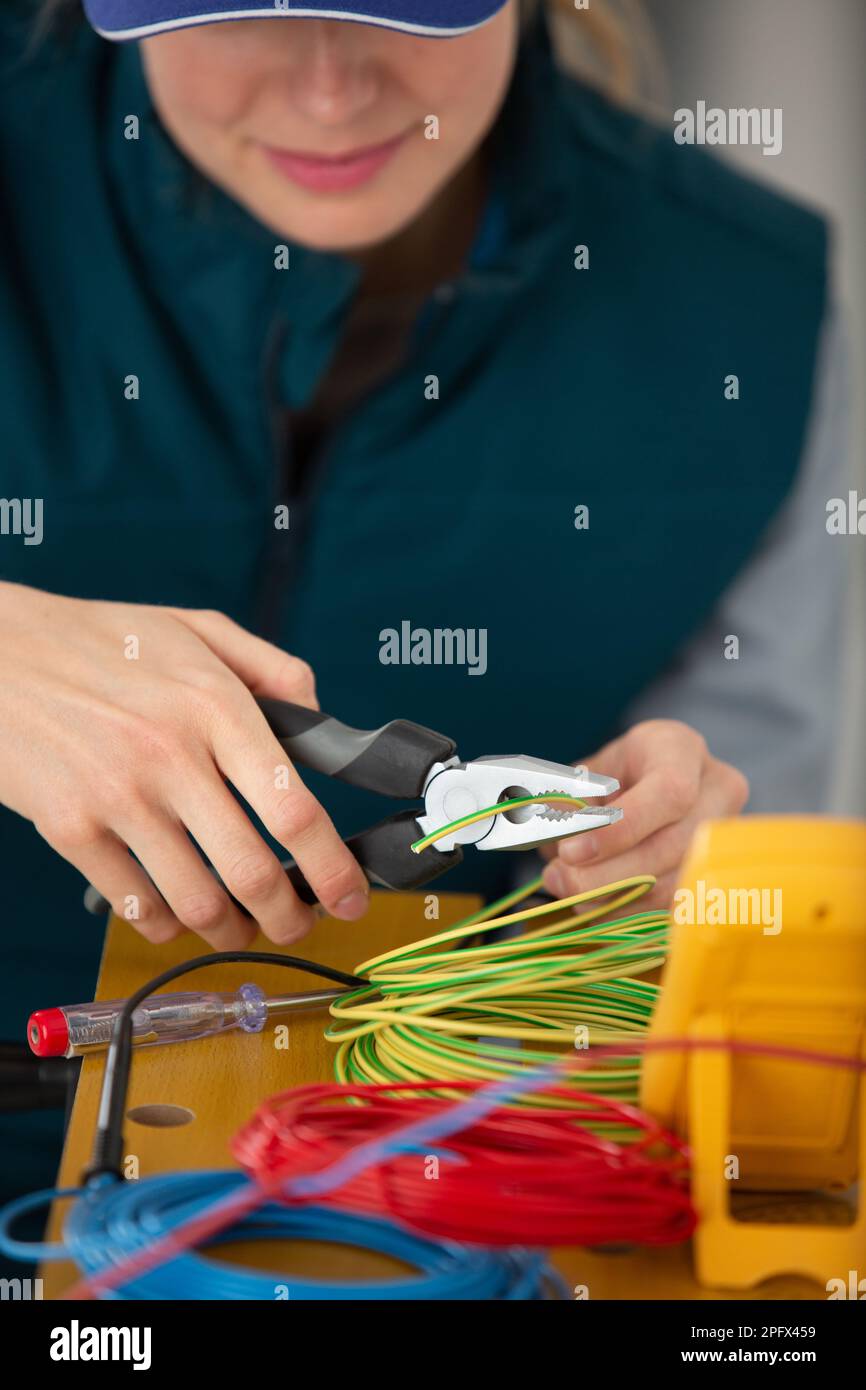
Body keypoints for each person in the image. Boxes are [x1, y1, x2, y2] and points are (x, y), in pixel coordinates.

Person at [0, 0, 845, 1208]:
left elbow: (747, 868)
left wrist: (668, 882)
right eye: (238, 6)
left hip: (423, 1207)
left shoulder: (747, 309)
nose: (332, 91)